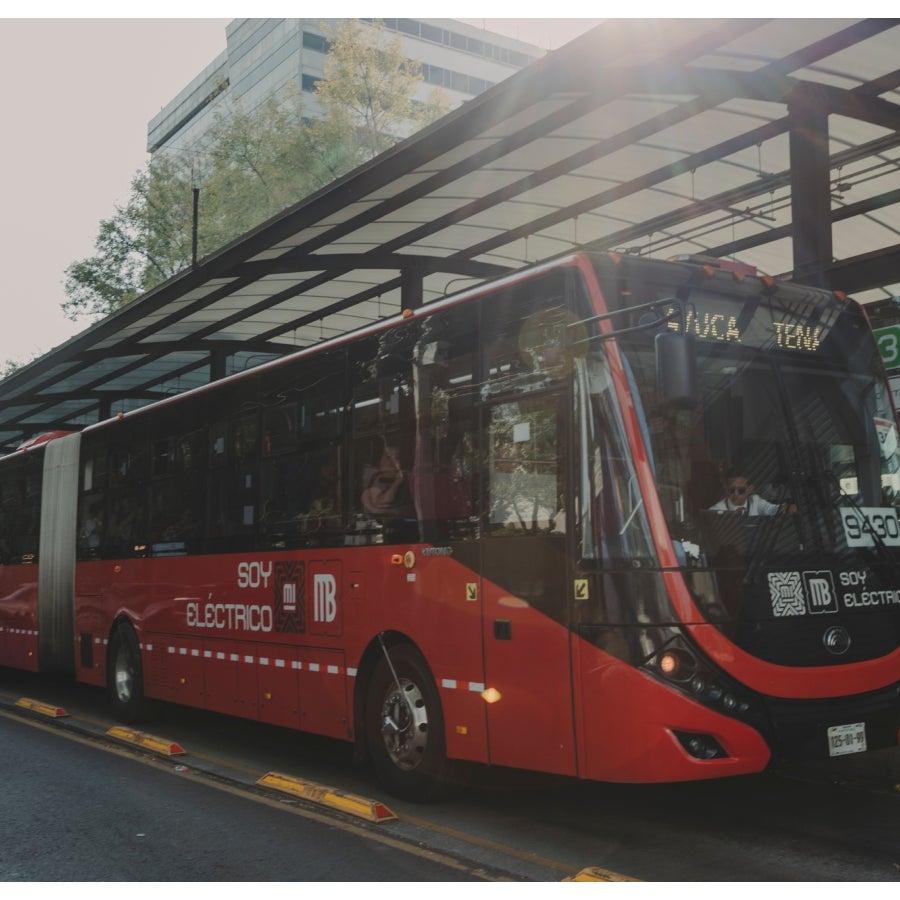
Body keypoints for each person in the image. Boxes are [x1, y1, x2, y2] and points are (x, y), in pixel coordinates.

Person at [709, 470, 794, 516]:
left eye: (741, 490)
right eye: (731, 490)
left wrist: (786, 508)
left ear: (750, 489)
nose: (736, 494)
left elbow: (772, 509)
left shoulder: (755, 501)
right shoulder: (716, 510)